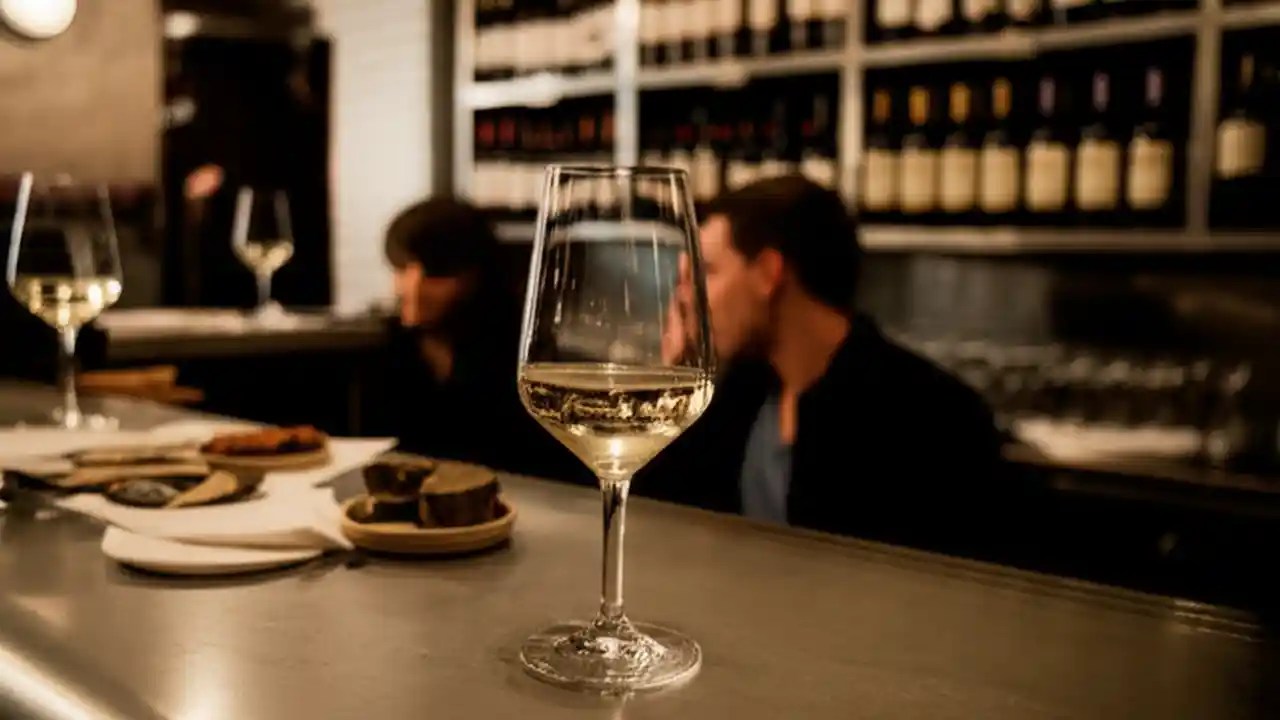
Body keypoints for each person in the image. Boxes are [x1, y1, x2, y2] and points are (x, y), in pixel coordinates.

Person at [639, 176, 1028, 557]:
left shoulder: (932, 415)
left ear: (769, 273)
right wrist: (674, 379)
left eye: (707, 272)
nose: (686, 298)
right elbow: (659, 516)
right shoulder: (746, 389)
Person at [368, 197, 585, 482]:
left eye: (436, 273)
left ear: (476, 275)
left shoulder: (523, 355)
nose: (414, 287)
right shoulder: (387, 347)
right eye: (403, 268)